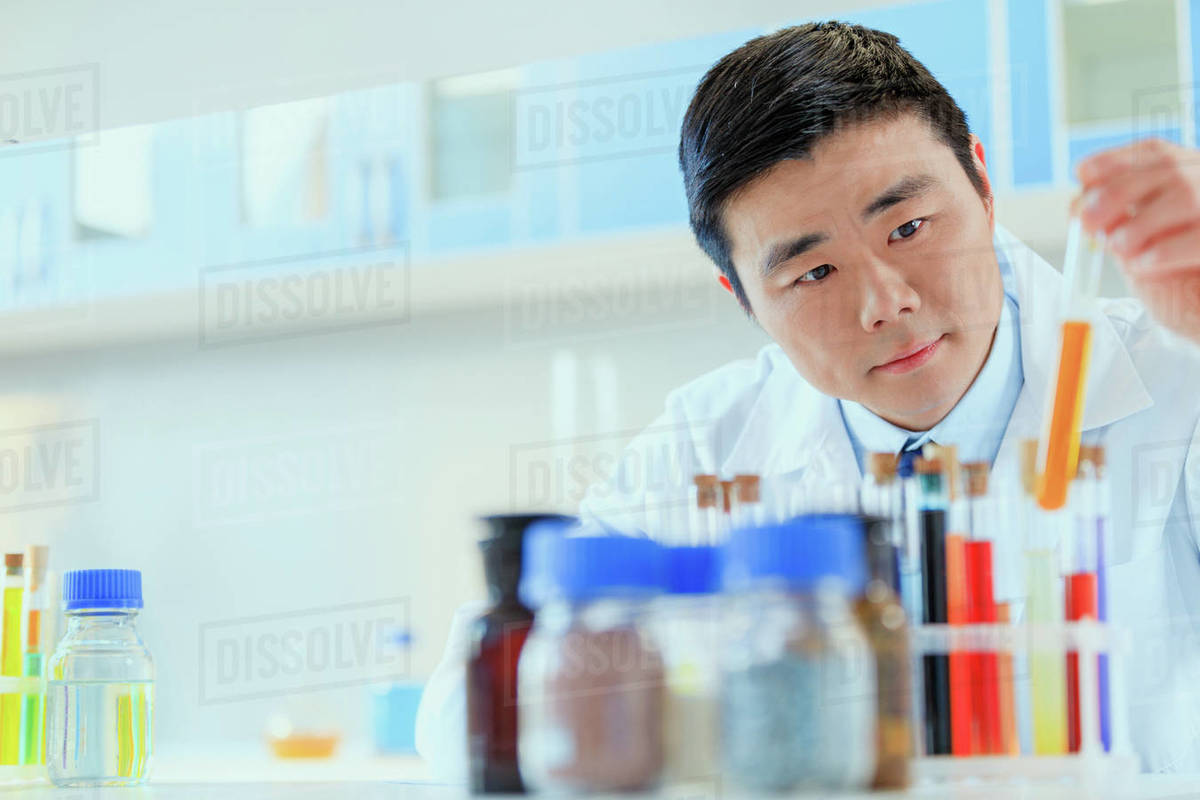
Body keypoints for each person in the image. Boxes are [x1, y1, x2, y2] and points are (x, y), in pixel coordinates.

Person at [418, 21, 1200, 777]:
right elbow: (466, 714)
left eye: (910, 226)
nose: (884, 304)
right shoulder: (706, 445)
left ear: (984, 186)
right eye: (813, 273)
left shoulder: (1178, 373)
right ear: (743, 297)